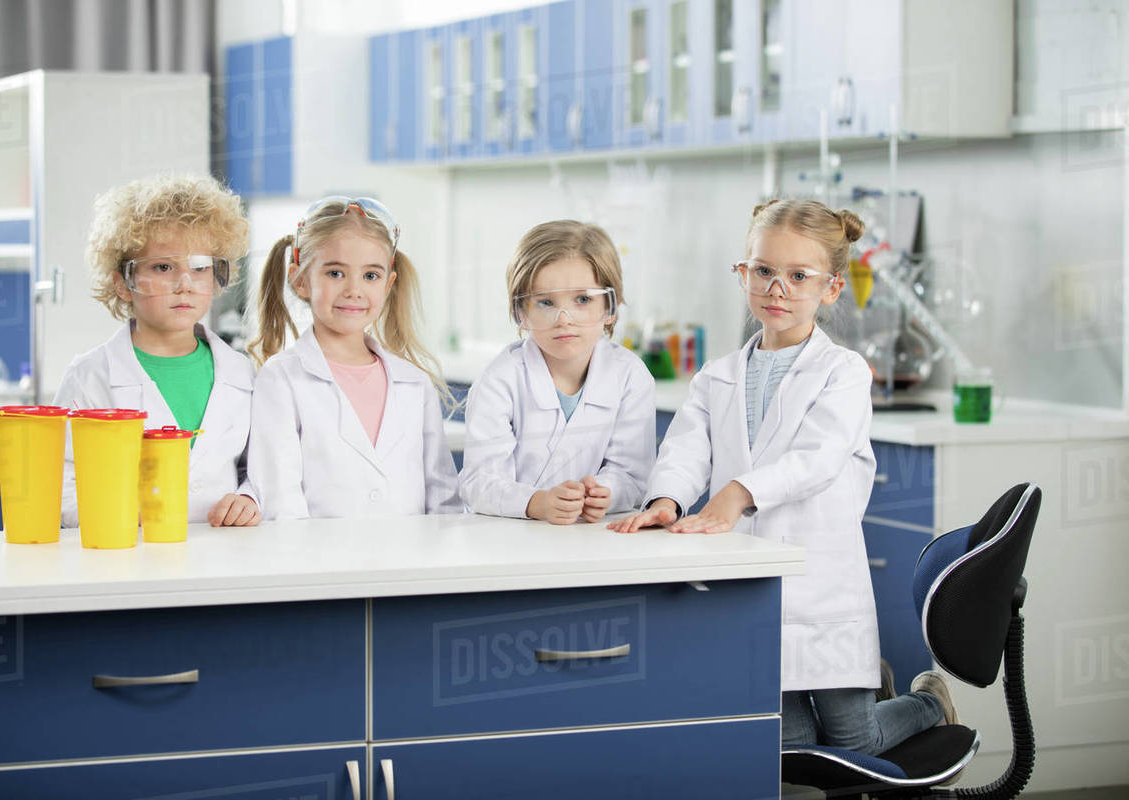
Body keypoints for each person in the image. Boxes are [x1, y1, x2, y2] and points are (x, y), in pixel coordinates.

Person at [609, 199, 957, 754]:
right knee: (790, 745)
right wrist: (668, 501)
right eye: (764, 271)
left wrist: (738, 493)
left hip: (821, 586)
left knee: (854, 742)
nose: (778, 288)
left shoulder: (842, 373)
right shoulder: (716, 377)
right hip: (753, 590)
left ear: (832, 288)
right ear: (743, 273)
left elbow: (817, 460)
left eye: (799, 276)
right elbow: (683, 450)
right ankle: (874, 702)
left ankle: (926, 701)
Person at [55, 173, 259, 527]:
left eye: (200, 268)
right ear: (123, 284)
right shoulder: (90, 377)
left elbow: (259, 469)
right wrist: (120, 514)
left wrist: (249, 498)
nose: (185, 285)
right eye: (163, 267)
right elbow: (61, 487)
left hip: (224, 559)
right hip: (129, 561)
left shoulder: (241, 374)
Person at [246, 196, 461, 519]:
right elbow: (280, 502)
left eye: (370, 276)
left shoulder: (414, 383)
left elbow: (445, 500)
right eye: (335, 273)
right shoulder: (281, 379)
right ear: (300, 279)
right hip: (318, 564)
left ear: (389, 283)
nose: (354, 290)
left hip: (411, 564)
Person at [461, 220, 655, 524]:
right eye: (546, 302)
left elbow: (632, 475)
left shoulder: (630, 375)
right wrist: (536, 503)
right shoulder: (501, 379)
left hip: (594, 540)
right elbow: (479, 483)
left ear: (610, 306)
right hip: (507, 537)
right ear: (521, 312)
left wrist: (606, 493)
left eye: (582, 300)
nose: (564, 319)